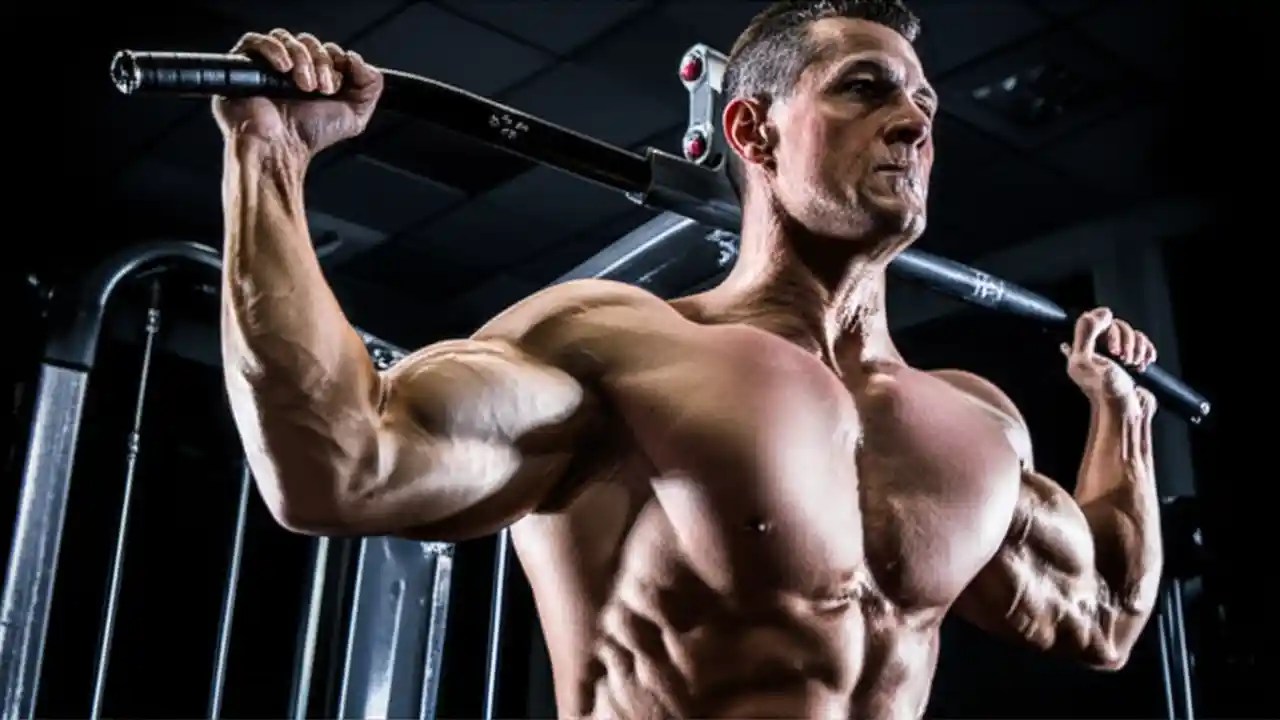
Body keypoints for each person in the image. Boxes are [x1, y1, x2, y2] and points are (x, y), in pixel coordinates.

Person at [213, 1, 1164, 717]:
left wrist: (1124, 416)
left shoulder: (974, 421)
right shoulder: (620, 348)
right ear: (750, 132)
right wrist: (271, 159)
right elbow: (338, 464)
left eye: (924, 103)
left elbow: (1106, 618)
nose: (916, 125)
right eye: (865, 89)